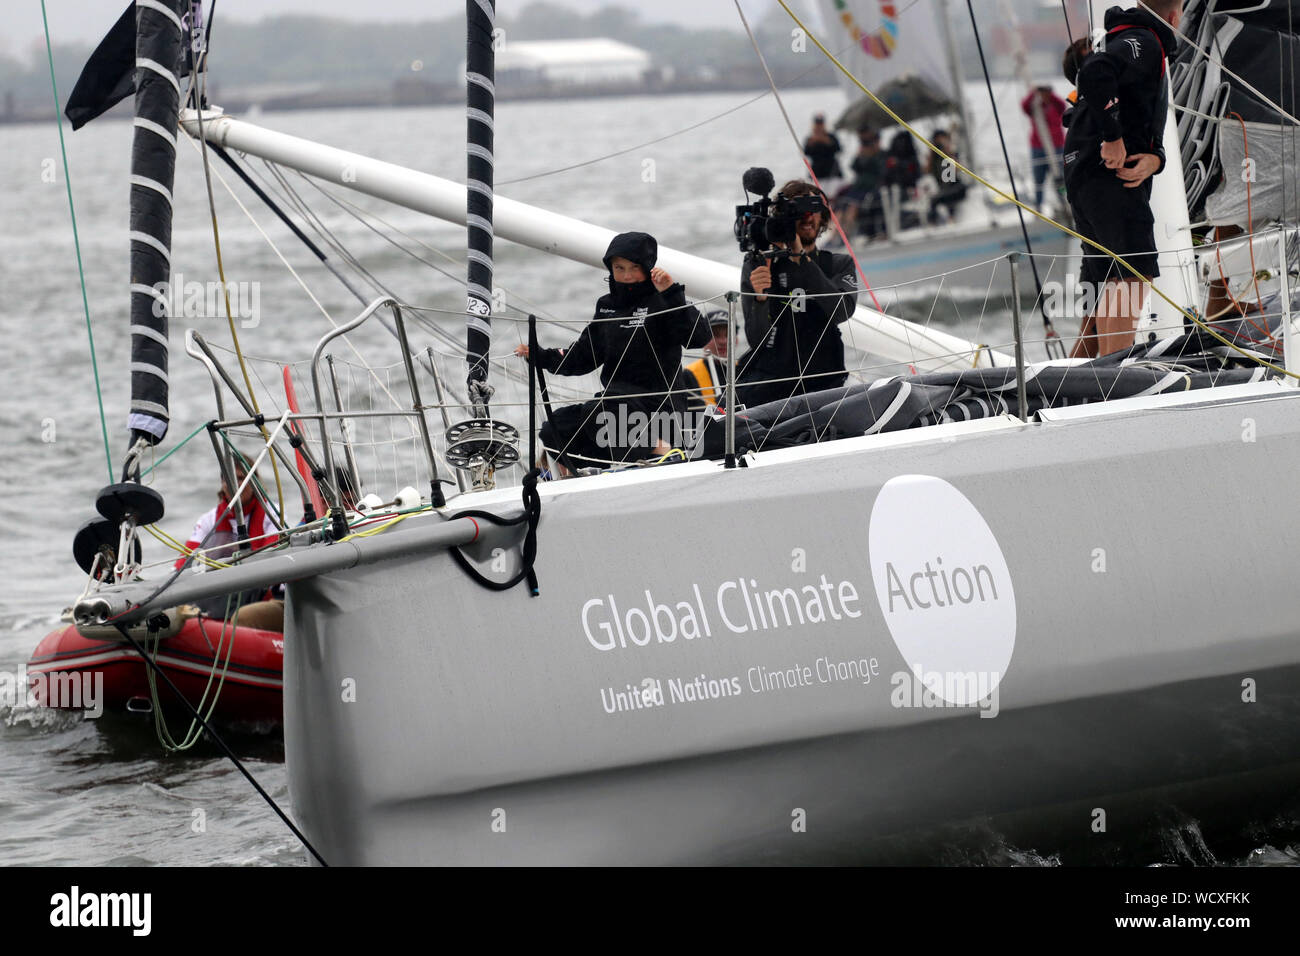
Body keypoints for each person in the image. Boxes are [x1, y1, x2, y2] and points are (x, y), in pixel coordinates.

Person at [515, 232, 712, 472]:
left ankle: (666, 453)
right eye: (619, 268)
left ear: (648, 268)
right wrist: (540, 356)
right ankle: (589, 476)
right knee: (556, 427)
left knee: (601, 410)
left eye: (634, 268)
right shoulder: (606, 306)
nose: (627, 276)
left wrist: (672, 293)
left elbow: (699, 337)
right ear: (610, 268)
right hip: (616, 404)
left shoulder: (663, 299)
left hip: (660, 405)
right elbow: (583, 355)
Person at [1063, 0, 1182, 359]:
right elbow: (1095, 71)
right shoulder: (1145, 41)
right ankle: (1115, 385)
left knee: (1107, 279)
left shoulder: (1135, 39)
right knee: (1132, 272)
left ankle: (1087, 382)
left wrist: (1157, 159)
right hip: (1108, 177)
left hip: (1086, 174)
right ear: (1175, 18)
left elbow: (1143, 116)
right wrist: (1113, 139)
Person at [736, 181, 860, 408]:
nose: (807, 217)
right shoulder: (761, 264)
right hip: (773, 381)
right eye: (798, 211)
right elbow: (756, 338)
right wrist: (761, 299)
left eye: (813, 209)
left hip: (825, 378)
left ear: (823, 217)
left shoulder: (838, 264)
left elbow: (841, 312)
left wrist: (800, 257)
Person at [174, 455, 285, 626]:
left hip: (261, 598)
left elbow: (270, 559)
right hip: (218, 600)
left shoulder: (273, 515)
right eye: (228, 478)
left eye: (240, 478)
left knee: (242, 617)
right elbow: (184, 564)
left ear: (253, 481)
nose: (234, 484)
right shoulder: (208, 520)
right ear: (222, 483)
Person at [1022, 85, 1069, 209]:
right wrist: (1034, 92)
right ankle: (1038, 204)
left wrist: (1050, 95)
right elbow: (1024, 106)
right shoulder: (1035, 107)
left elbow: (1063, 106)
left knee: (1059, 177)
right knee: (1038, 179)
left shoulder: (1055, 106)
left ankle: (1063, 201)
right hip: (1038, 147)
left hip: (1057, 146)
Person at [834, 128, 885, 240]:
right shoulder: (861, 158)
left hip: (869, 189)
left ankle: (845, 234)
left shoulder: (880, 156)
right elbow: (853, 167)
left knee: (853, 206)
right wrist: (860, 156)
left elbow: (881, 172)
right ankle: (835, 235)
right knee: (841, 206)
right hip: (858, 188)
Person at [681, 308, 731, 413]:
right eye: (715, 335)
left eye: (728, 334)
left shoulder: (745, 370)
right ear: (703, 336)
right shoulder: (689, 375)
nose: (723, 341)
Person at [924, 129, 969, 224]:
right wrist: (932, 151)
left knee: (948, 195)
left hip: (956, 186)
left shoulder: (952, 153)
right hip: (943, 188)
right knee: (937, 199)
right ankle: (934, 223)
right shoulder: (934, 157)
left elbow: (957, 168)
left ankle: (952, 219)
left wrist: (947, 149)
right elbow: (927, 170)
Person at [803, 113, 844, 195]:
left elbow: (838, 149)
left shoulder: (831, 136)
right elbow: (806, 153)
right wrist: (812, 143)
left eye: (820, 123)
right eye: (817, 123)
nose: (819, 126)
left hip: (832, 172)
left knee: (833, 196)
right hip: (817, 173)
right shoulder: (810, 138)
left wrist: (826, 141)